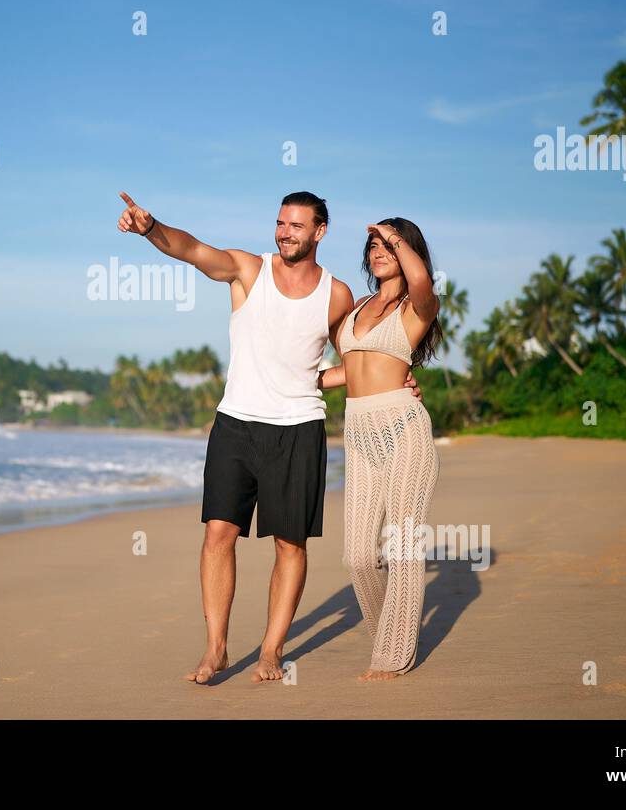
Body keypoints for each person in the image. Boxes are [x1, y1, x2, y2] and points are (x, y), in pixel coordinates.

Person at [116, 191, 420, 684]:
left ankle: (272, 650)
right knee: (218, 533)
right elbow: (190, 249)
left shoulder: (337, 295)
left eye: (297, 225)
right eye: (281, 223)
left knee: (289, 543)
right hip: (236, 422)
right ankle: (216, 647)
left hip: (299, 428)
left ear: (319, 232)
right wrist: (152, 228)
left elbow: (360, 355)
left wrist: (395, 379)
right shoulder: (247, 270)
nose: (285, 232)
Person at [319, 218, 442, 680]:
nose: (378, 250)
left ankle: (393, 655)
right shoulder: (356, 309)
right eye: (372, 244)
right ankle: (387, 636)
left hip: (403, 427)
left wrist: (393, 233)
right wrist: (309, 383)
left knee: (404, 547)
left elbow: (423, 280)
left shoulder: (418, 304)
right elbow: (351, 369)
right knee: (357, 555)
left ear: (407, 249)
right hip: (359, 432)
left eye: (388, 244)